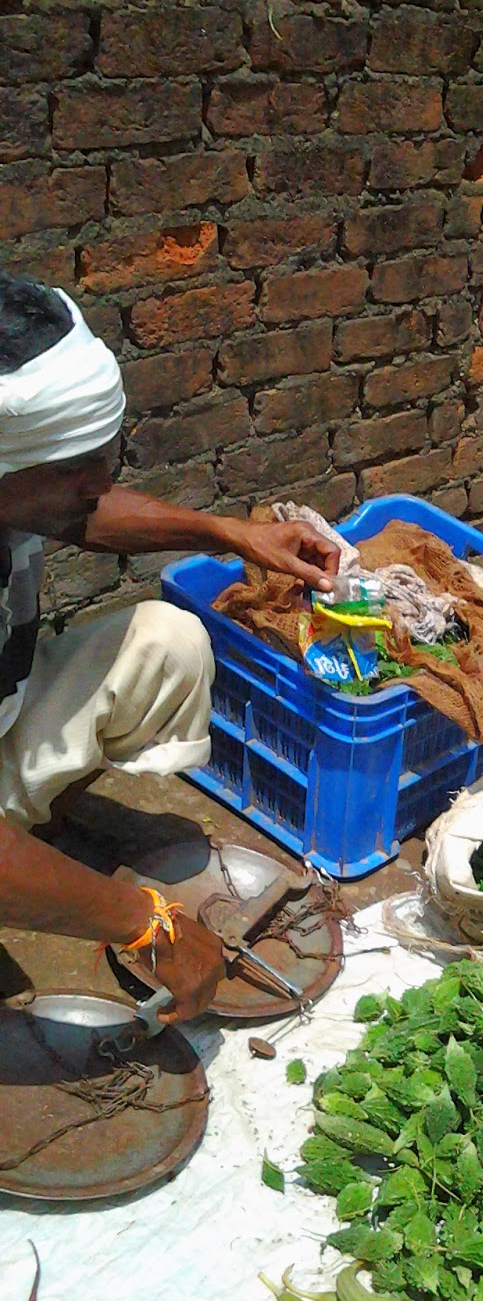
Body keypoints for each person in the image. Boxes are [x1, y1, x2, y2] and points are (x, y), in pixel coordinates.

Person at [0, 274, 339, 1022]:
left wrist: (231, 533)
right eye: (74, 467)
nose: (102, 483)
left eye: (104, 455)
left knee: (167, 640)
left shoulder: (19, 479)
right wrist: (145, 924)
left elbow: (84, 510)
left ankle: (30, 843)